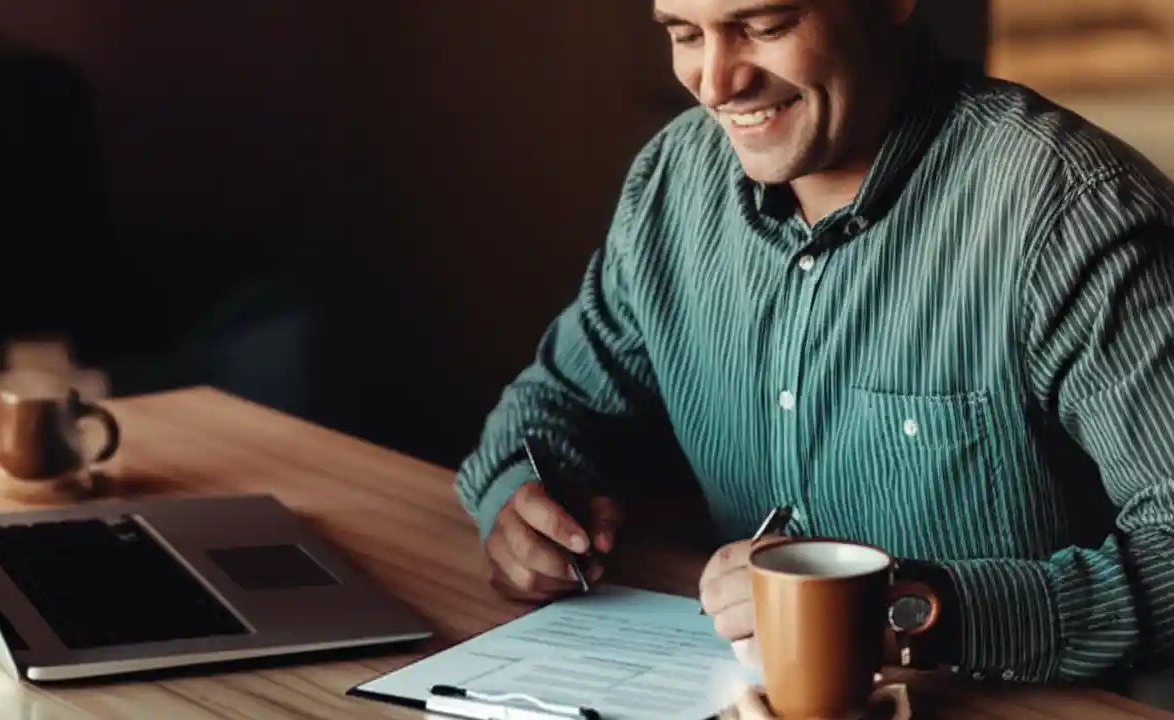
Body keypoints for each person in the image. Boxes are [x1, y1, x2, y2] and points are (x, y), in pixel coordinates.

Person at [454, 0, 1174, 690]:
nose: (714, 83)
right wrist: (520, 506)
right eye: (685, 34)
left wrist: (919, 611)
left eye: (764, 26)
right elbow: (554, 407)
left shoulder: (1071, 218)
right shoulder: (675, 180)